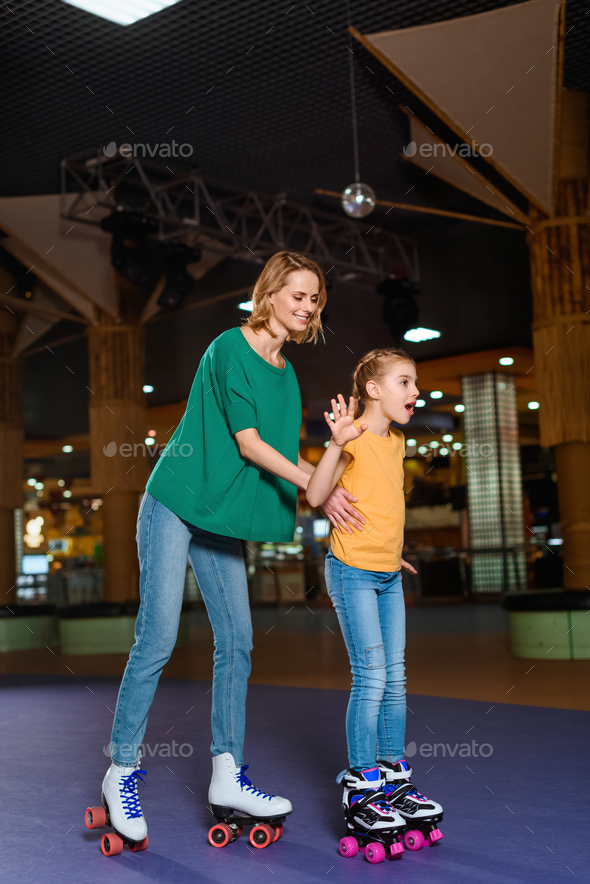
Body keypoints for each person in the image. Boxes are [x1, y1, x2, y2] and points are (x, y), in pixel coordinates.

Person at [99, 250, 364, 848]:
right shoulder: (227, 347)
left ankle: (227, 775)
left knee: (238, 642)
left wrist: (330, 483)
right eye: (297, 294)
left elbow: (282, 453)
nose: (307, 305)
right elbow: (249, 446)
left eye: (315, 298)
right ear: (269, 293)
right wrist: (313, 485)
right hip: (175, 500)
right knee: (158, 635)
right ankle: (121, 771)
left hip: (220, 519)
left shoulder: (288, 375)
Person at [306, 349, 444, 857]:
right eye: (405, 382)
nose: (415, 392)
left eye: (415, 383)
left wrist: (395, 553)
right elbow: (318, 494)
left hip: (387, 572)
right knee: (372, 675)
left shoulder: (399, 441)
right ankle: (361, 785)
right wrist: (335, 446)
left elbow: (384, 502)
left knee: (397, 676)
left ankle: (394, 780)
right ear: (374, 390)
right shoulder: (354, 438)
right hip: (351, 570)